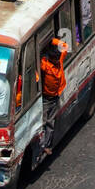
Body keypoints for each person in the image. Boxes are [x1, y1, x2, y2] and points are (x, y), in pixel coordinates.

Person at [33, 36, 68, 164]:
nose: (57, 60)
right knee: (43, 123)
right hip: (46, 99)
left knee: (50, 123)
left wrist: (51, 40)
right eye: (55, 59)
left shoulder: (57, 61)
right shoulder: (45, 66)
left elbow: (65, 46)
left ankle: (46, 145)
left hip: (54, 97)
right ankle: (42, 146)